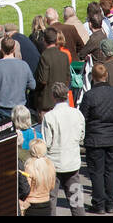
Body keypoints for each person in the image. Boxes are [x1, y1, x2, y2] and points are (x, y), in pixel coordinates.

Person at [79, 62, 113, 213]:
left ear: (93, 77)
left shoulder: (89, 95)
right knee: (110, 171)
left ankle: (99, 204)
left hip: (96, 138)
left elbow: (82, 118)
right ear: (106, 76)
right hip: (111, 137)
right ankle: (110, 203)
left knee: (97, 172)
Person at [41, 81, 86, 215]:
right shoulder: (77, 114)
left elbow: (46, 142)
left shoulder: (49, 116)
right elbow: (81, 136)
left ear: (53, 96)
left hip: (54, 162)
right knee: (76, 200)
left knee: (51, 199)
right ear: (67, 95)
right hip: (72, 160)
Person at [20, 138, 57, 216]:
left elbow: (26, 189)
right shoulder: (50, 165)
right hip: (46, 203)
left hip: (31, 205)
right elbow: (52, 186)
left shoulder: (29, 166)